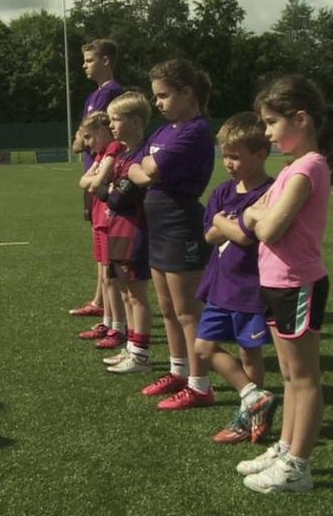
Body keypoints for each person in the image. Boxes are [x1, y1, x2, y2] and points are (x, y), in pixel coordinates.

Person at [237, 74, 333, 493]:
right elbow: (257, 213)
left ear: (300, 119)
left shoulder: (307, 167)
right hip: (277, 282)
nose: (265, 133)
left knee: (304, 377)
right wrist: (256, 214)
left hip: (297, 284)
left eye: (271, 123)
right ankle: (286, 448)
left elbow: (266, 226)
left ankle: (298, 465)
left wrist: (254, 216)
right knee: (287, 374)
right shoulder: (292, 167)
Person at [128, 59, 215, 408]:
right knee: (167, 307)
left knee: (187, 312)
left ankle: (200, 385)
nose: (158, 103)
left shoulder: (196, 130)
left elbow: (149, 168)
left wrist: (145, 169)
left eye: (163, 96)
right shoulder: (164, 131)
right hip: (160, 224)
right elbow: (137, 167)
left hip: (182, 222)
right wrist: (144, 169)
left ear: (187, 93)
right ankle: (179, 372)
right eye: (156, 97)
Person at [190, 112, 278, 440]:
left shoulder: (269, 193)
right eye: (225, 155)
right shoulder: (222, 192)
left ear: (261, 154)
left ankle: (251, 418)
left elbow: (244, 236)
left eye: (236, 157)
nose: (228, 163)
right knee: (202, 347)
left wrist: (223, 223)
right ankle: (253, 397)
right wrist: (229, 224)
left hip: (251, 288)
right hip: (220, 285)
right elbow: (209, 235)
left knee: (249, 352)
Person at [96, 92, 155, 375]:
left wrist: (111, 190)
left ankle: (141, 355)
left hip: (135, 229)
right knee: (125, 291)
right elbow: (104, 192)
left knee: (136, 293)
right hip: (119, 227)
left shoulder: (143, 154)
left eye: (116, 120)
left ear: (134, 122)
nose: (111, 126)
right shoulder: (124, 153)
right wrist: (111, 190)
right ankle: (132, 347)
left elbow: (117, 198)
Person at [71, 39, 126, 320]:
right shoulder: (93, 96)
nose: (84, 65)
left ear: (106, 60)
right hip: (91, 170)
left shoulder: (113, 93)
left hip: (102, 175)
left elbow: (96, 135)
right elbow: (83, 135)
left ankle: (105, 302)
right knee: (98, 237)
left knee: (105, 238)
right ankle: (100, 299)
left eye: (89, 60)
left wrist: (84, 141)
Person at [75, 112, 127, 349]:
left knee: (111, 278)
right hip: (98, 217)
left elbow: (94, 183)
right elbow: (84, 182)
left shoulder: (113, 148)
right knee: (105, 278)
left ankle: (118, 327)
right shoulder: (99, 154)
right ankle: (108, 322)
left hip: (109, 219)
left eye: (89, 136)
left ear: (102, 131)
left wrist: (96, 179)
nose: (86, 143)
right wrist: (95, 178)